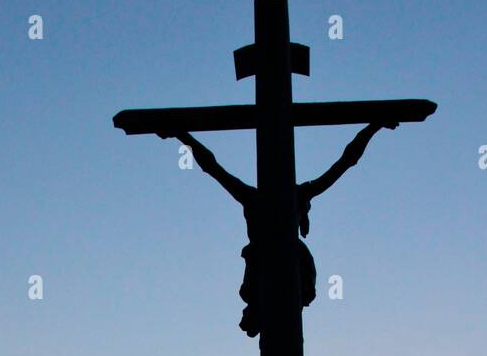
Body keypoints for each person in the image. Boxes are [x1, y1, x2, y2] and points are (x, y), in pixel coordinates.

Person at [159, 121, 398, 336]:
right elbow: (345, 163)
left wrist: (183, 135)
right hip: (282, 263)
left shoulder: (260, 200)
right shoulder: (275, 199)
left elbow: (211, 167)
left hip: (284, 263)